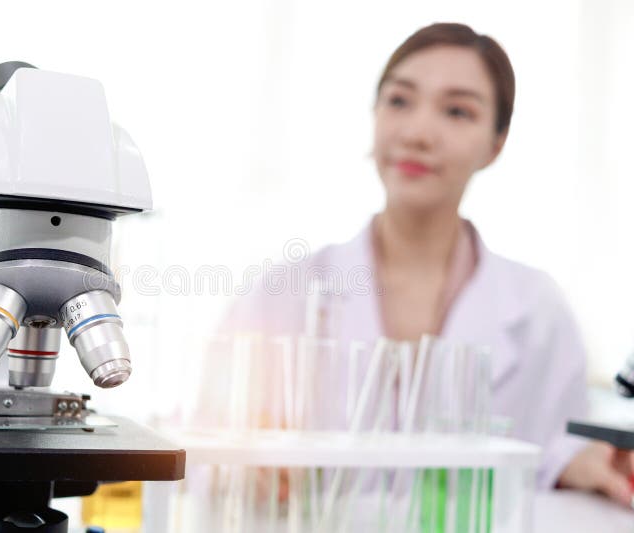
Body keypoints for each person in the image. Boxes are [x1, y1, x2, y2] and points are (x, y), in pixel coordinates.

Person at [219, 22, 634, 506]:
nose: (417, 133)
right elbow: (203, 447)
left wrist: (574, 466)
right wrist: (241, 473)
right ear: (374, 115)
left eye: (457, 111)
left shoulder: (538, 310)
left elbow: (553, 450)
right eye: (399, 101)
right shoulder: (284, 291)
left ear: (496, 144)